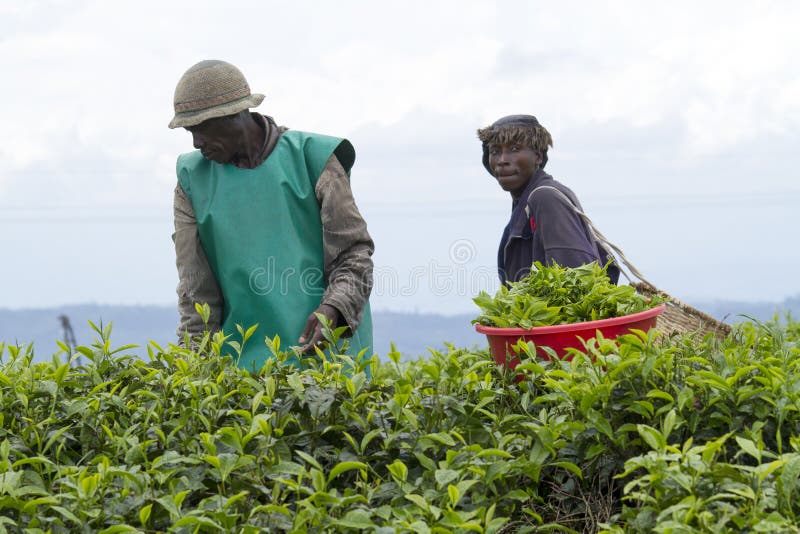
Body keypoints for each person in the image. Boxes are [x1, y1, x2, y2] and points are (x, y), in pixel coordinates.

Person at [168, 60, 373, 370]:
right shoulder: (192, 182)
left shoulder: (313, 160)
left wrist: (334, 308)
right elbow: (196, 294)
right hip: (245, 368)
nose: (197, 143)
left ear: (236, 115)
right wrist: (190, 371)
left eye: (202, 129)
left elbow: (354, 255)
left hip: (328, 356)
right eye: (190, 131)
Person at [478, 114, 619, 285]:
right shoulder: (526, 202)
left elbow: (576, 285)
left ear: (537, 156)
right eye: (495, 152)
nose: (502, 160)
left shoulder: (546, 197)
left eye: (514, 149)